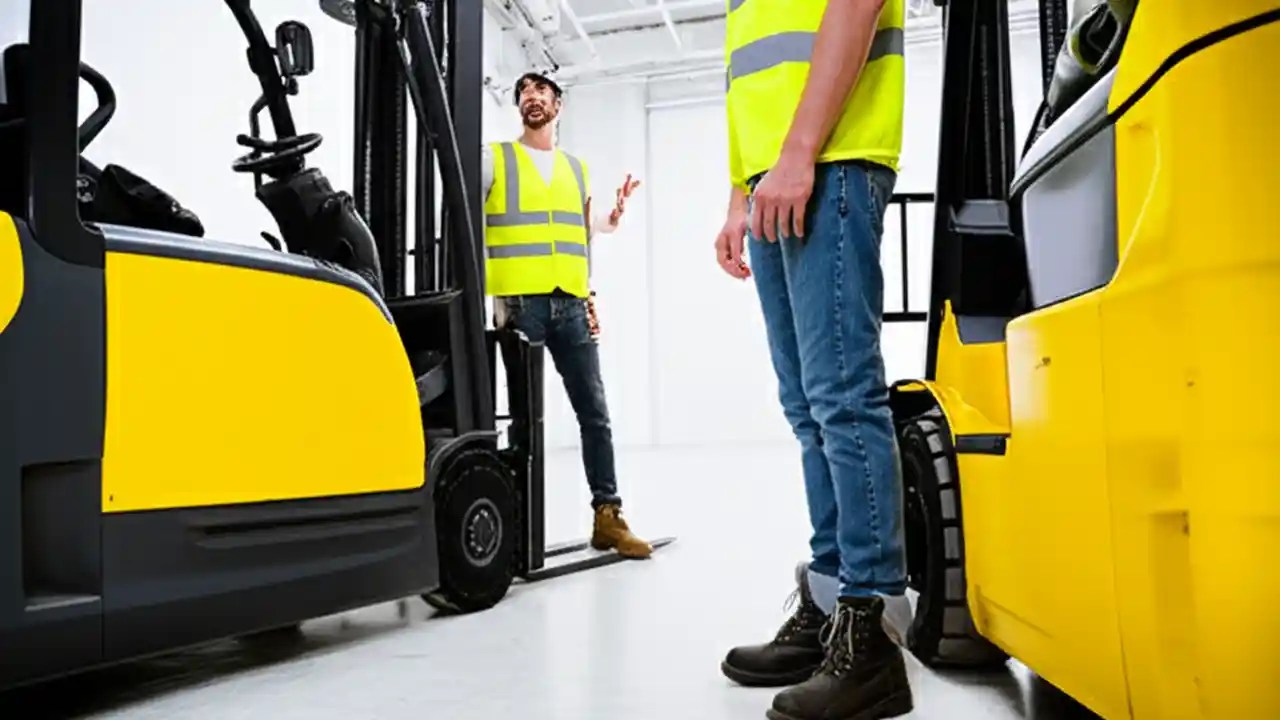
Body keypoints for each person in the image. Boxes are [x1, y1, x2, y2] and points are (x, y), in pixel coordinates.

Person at [714, 1, 914, 718]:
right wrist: (740, 194)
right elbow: (751, 79)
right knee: (807, 406)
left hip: (830, 157)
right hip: (775, 175)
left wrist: (799, 152)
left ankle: (872, 632)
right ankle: (832, 604)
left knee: (843, 398)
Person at [480, 71, 651, 559]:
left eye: (541, 91)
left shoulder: (576, 169)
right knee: (524, 421)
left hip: (572, 303)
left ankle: (608, 516)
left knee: (594, 413)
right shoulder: (495, 159)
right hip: (521, 306)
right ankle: (514, 529)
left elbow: (581, 226)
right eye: (524, 92)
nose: (531, 97)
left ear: (558, 105)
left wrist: (611, 217)